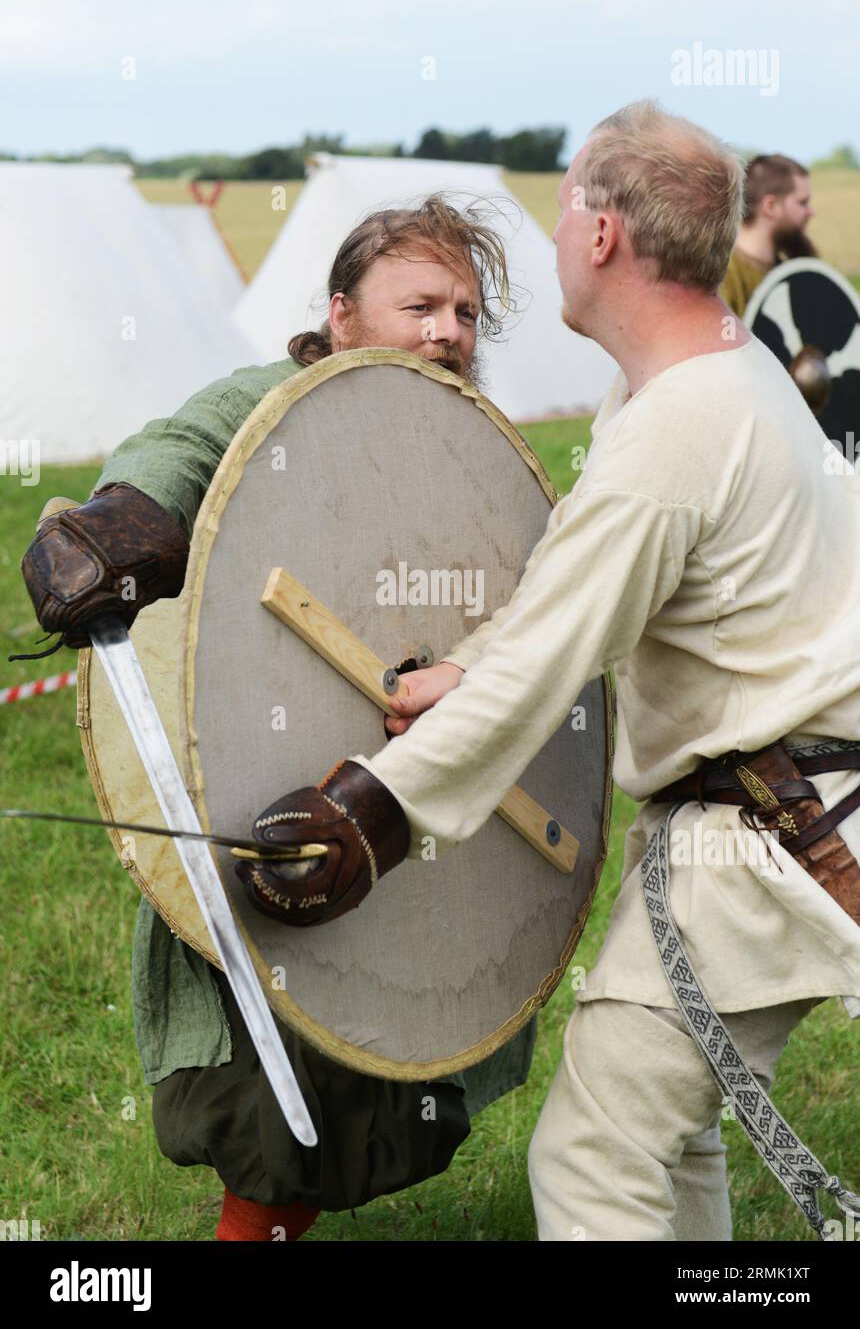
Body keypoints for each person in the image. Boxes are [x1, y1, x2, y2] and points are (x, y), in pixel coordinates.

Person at [247, 100, 860, 1242]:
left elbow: (550, 661)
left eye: (568, 196)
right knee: (665, 1133)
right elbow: (565, 582)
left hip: (766, 839)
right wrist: (466, 669)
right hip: (770, 817)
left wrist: (367, 816)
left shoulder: (682, 423)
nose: (555, 222)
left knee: (591, 1160)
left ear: (599, 237)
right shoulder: (697, 380)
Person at [19, 195, 541, 1242]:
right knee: (273, 1069)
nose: (447, 331)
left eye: (467, 312)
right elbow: (178, 449)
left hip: (403, 799)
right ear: (341, 314)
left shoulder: (471, 448)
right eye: (419, 305)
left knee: (381, 1023)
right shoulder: (271, 403)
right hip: (270, 780)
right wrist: (121, 523)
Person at [720, 153, 816, 318]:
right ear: (770, 206)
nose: (810, 212)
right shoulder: (723, 275)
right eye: (802, 203)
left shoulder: (788, 272)